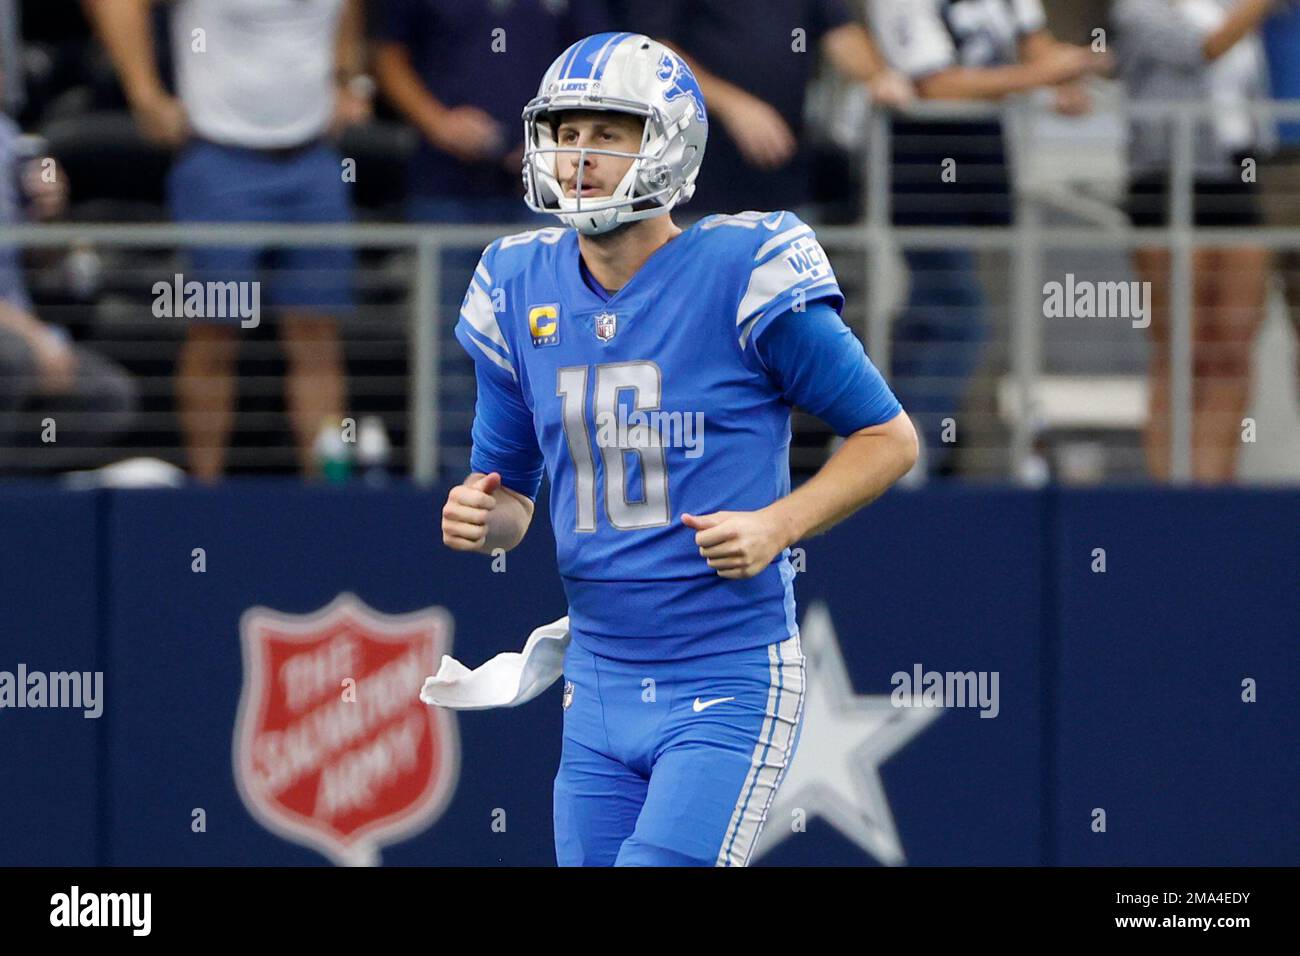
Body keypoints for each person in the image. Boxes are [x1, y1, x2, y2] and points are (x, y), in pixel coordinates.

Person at [439, 33, 917, 866]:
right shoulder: (517, 286)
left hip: (724, 677)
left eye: (607, 134)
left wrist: (778, 523)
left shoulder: (740, 269)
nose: (579, 156)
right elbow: (514, 500)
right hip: (596, 682)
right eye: (565, 133)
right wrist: (486, 518)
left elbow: (889, 437)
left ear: (667, 142)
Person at [89, 0, 371, 481]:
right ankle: (206, 491)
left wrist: (349, 79)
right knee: (216, 330)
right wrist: (143, 92)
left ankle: (331, 494)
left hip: (314, 160)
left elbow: (346, 9)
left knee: (318, 337)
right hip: (220, 159)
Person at [868, 0, 1109, 477]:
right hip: (923, 172)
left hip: (985, 170)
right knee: (957, 312)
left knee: (944, 316)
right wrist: (1042, 78)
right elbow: (937, 85)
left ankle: (906, 447)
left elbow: (1037, 47)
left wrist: (1070, 74)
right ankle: (901, 453)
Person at [375, 0, 610, 480]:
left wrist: (552, 138)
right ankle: (457, 481)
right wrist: (437, 122)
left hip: (546, 191)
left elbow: (598, 62)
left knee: (559, 342)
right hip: (445, 188)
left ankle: (558, 477)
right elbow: (386, 56)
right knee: (451, 347)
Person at [1113, 0, 1277, 482]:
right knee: (1182, 347)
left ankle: (1215, 483)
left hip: (1234, 175)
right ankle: (1173, 489)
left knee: (1232, 345)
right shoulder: (1138, 10)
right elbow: (1201, 48)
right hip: (1168, 181)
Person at [611, 0, 913, 217]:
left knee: (781, 297)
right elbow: (652, 50)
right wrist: (734, 106)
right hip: (692, 183)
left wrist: (878, 77)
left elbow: (841, 34)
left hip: (780, 179)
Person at [0, 114, 137, 474]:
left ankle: (17, 491)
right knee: (11, 361)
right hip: (14, 336)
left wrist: (49, 218)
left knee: (106, 395)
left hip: (18, 324)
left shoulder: (10, 139)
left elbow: (39, 262)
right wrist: (32, 335)